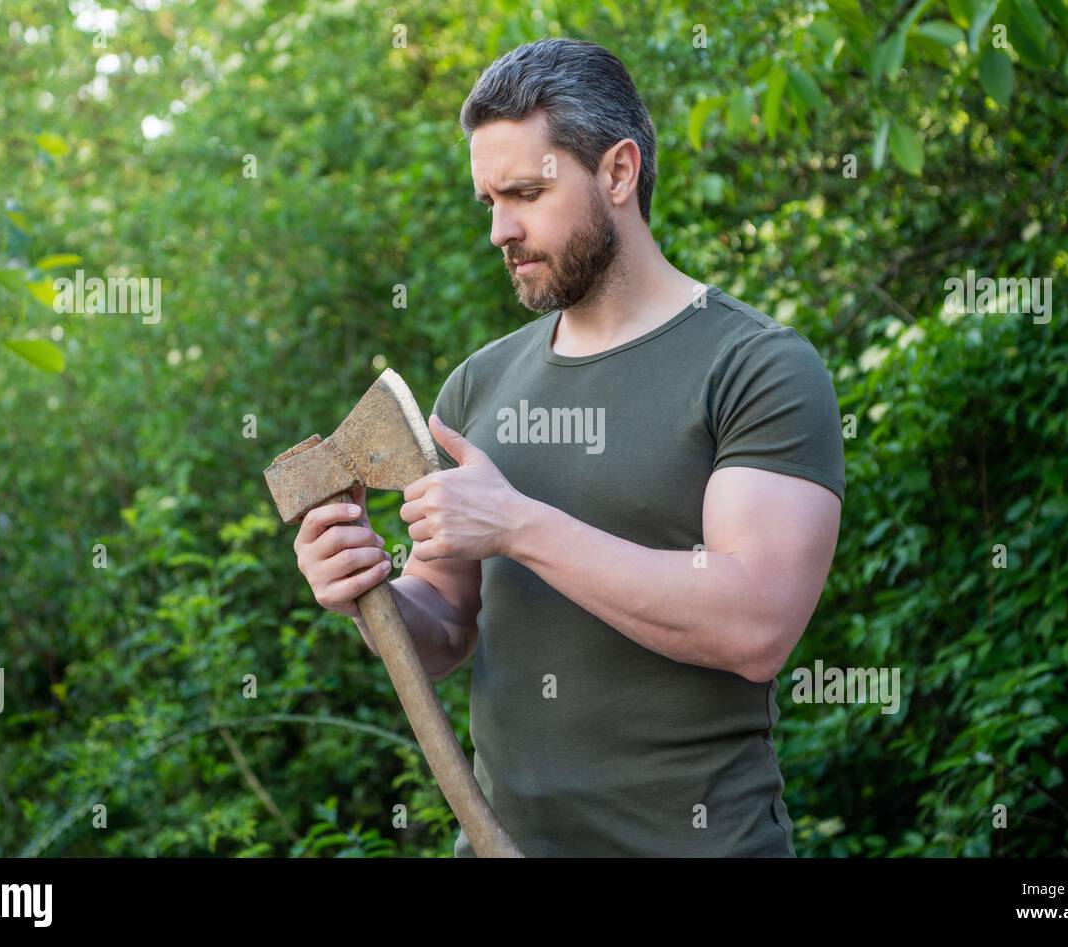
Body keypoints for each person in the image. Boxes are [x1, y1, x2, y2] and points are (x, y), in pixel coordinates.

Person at [293, 37, 845, 857]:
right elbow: (443, 625)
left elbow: (754, 624)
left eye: (524, 192)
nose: (499, 230)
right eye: (488, 199)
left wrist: (518, 525)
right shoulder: (476, 389)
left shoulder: (756, 367)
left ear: (618, 173)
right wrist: (367, 594)